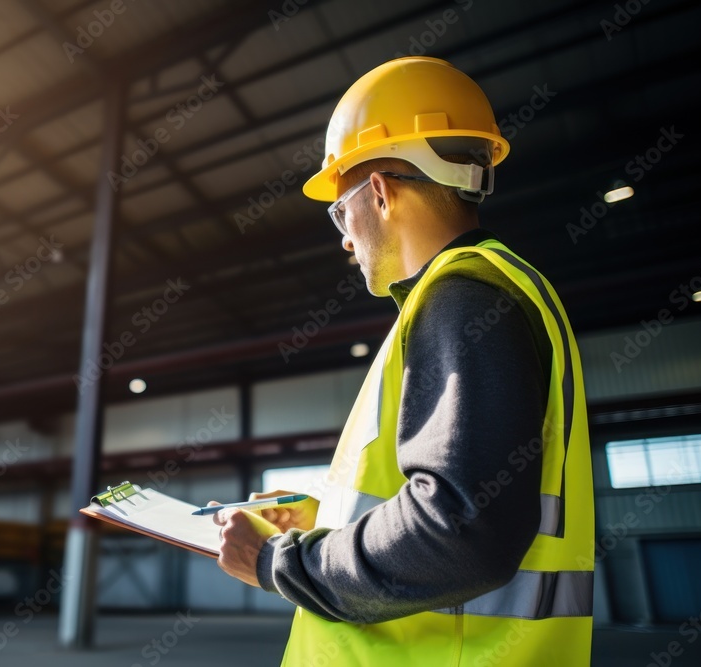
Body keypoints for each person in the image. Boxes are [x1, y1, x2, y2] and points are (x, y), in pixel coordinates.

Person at [213, 56, 595, 666]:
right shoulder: (484, 293)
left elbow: (459, 533)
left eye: (341, 212)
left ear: (381, 193)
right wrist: (325, 517)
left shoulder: (463, 300)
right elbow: (463, 498)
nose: (344, 236)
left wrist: (278, 563)